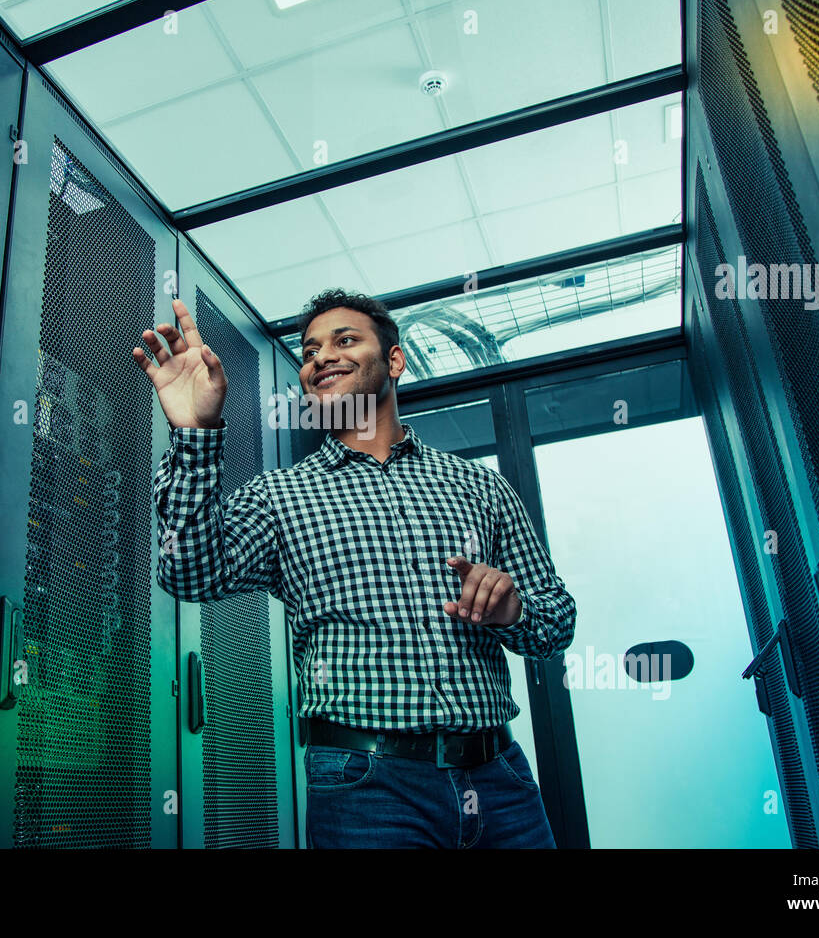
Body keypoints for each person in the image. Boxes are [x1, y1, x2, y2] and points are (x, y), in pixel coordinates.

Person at [132, 288, 577, 848]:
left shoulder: (481, 486)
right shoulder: (279, 496)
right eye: (310, 349)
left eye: (345, 340)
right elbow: (188, 572)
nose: (321, 356)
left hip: (501, 780)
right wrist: (194, 433)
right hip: (365, 788)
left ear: (394, 360)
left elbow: (556, 623)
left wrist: (514, 611)